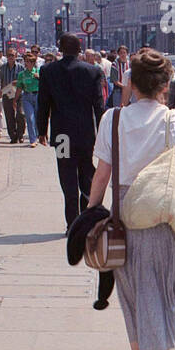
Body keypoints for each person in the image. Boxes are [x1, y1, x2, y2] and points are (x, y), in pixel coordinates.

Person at [89, 49, 175, 350]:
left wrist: (89, 214)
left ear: (131, 83)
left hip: (124, 222)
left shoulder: (113, 119)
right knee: (170, 295)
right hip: (166, 220)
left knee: (135, 302)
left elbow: (102, 174)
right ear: (166, 84)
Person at [37, 33, 107, 230]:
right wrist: (102, 131)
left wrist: (42, 131)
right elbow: (98, 105)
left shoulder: (48, 71)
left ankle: (72, 223)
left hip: (61, 135)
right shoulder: (92, 71)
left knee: (66, 176)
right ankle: (86, 221)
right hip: (85, 134)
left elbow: (43, 103)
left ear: (60, 49)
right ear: (80, 49)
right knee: (87, 175)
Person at [0, 46, 25, 143]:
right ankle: (13, 136)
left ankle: (20, 134)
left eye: (12, 55)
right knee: (9, 115)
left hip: (19, 93)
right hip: (7, 93)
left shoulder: (21, 67)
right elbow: (1, 80)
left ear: (16, 56)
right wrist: (0, 92)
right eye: (9, 55)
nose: (11, 57)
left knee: (21, 114)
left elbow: (24, 80)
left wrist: (17, 81)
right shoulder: (2, 67)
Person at [16, 52, 40, 147]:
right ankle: (32, 140)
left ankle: (38, 135)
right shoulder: (22, 74)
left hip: (37, 96)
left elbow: (46, 85)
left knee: (37, 118)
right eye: (26, 61)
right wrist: (15, 99)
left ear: (33, 63)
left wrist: (40, 78)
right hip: (26, 97)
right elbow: (19, 87)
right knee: (30, 118)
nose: (27, 63)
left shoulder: (38, 72)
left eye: (30, 61)